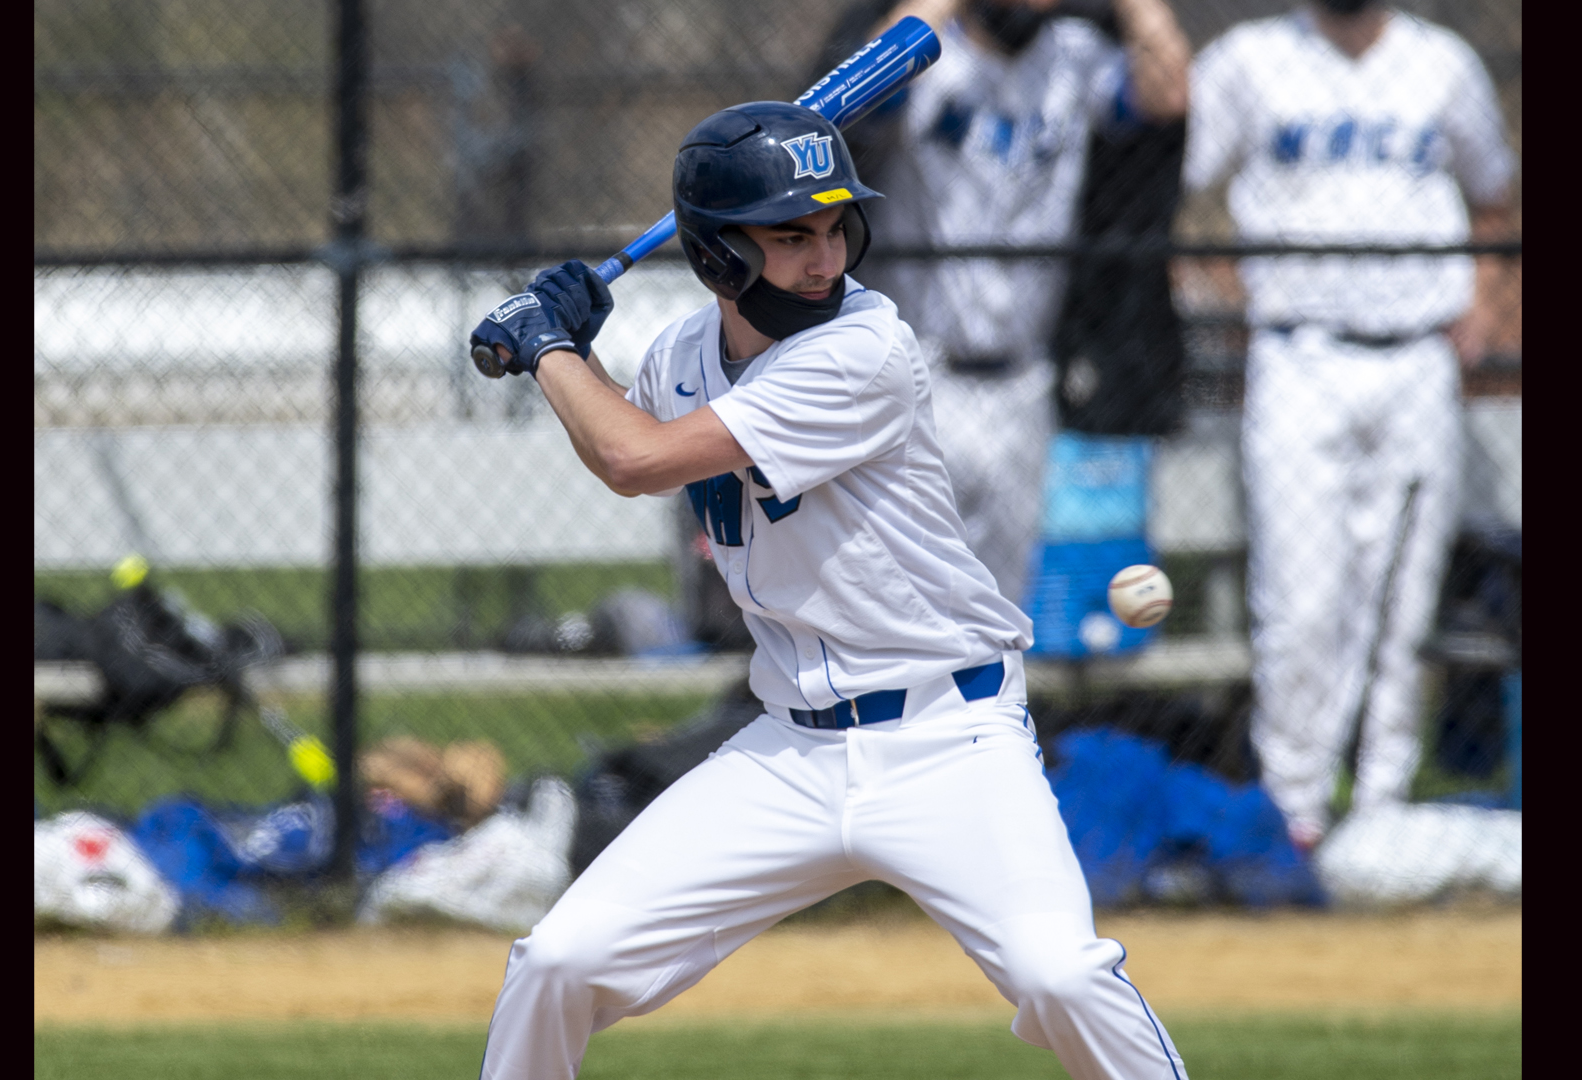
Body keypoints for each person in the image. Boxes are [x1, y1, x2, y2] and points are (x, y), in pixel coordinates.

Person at [467, 101, 1188, 1079]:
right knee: (559, 961)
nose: (824, 259)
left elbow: (635, 459)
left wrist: (546, 345)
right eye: (789, 237)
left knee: (1061, 977)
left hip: (948, 739)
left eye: (833, 228)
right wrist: (574, 349)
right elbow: (623, 438)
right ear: (718, 256)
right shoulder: (681, 355)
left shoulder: (864, 349)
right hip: (791, 751)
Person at [1182, 0, 1516, 849]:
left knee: (1402, 602)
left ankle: (1382, 806)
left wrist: (1482, 301)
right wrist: (1226, 282)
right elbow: (1175, 177)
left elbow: (1492, 195)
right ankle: (1294, 812)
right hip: (1300, 356)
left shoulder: (1440, 61)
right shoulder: (1251, 59)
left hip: (1418, 357)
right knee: (1300, 601)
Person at [833, 0, 1191, 603]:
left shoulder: (1075, 56)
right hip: (916, 368)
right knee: (898, 597)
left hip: (1024, 378)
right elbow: (856, 95)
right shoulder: (927, 54)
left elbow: (1169, 92)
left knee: (997, 608)